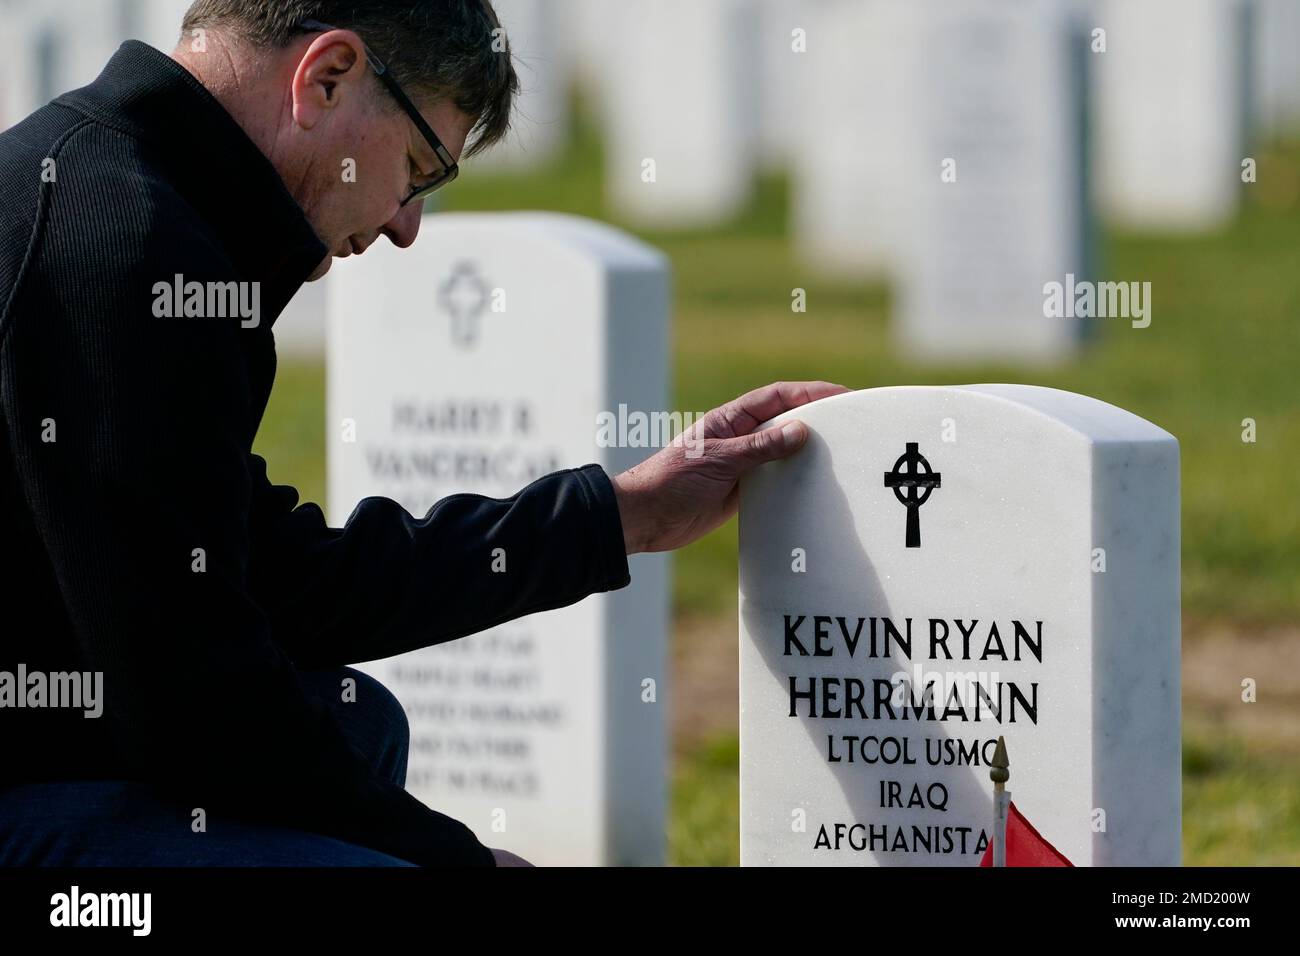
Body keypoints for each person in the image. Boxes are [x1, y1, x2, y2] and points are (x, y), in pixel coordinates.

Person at [0, 0, 847, 866]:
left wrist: (625, 515)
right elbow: (189, 699)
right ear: (326, 77)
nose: (407, 224)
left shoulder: (121, 190)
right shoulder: (124, 249)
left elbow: (264, 579)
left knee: (359, 720)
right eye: (417, 166)